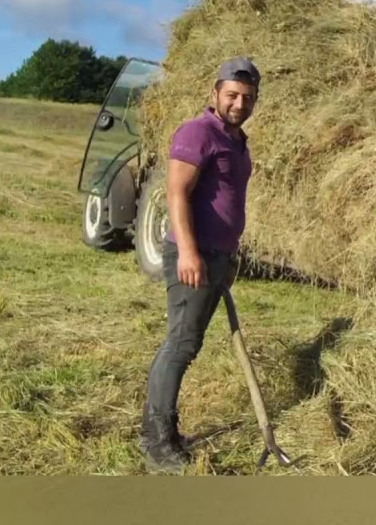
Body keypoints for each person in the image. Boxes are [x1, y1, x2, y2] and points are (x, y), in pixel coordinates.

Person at [139, 56, 261, 473]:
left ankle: (164, 433)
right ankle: (156, 441)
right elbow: (176, 194)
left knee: (185, 343)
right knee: (181, 344)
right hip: (193, 254)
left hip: (216, 255)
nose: (239, 104)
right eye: (232, 95)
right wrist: (189, 252)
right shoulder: (198, 132)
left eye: (247, 98)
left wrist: (228, 256)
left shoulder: (236, 140)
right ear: (215, 94)